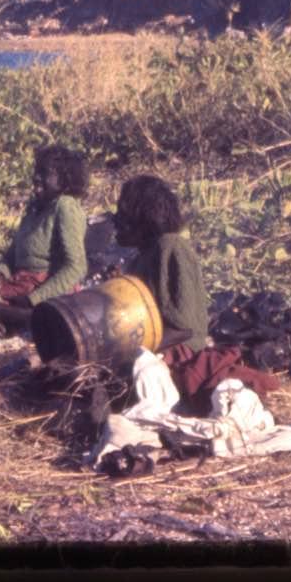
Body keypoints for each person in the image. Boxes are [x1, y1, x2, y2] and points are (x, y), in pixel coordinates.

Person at [112, 174, 277, 408]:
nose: (116, 221)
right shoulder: (144, 256)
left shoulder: (170, 247)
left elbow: (187, 325)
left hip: (179, 351)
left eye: (122, 213)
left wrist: (138, 347)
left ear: (141, 218)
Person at [0, 145, 90, 309]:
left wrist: (33, 299)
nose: (36, 177)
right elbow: (12, 255)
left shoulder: (64, 206)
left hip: (47, 289)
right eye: (36, 171)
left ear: (64, 179)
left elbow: (76, 267)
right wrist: (0, 274)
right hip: (23, 283)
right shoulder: (35, 206)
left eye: (44, 173)